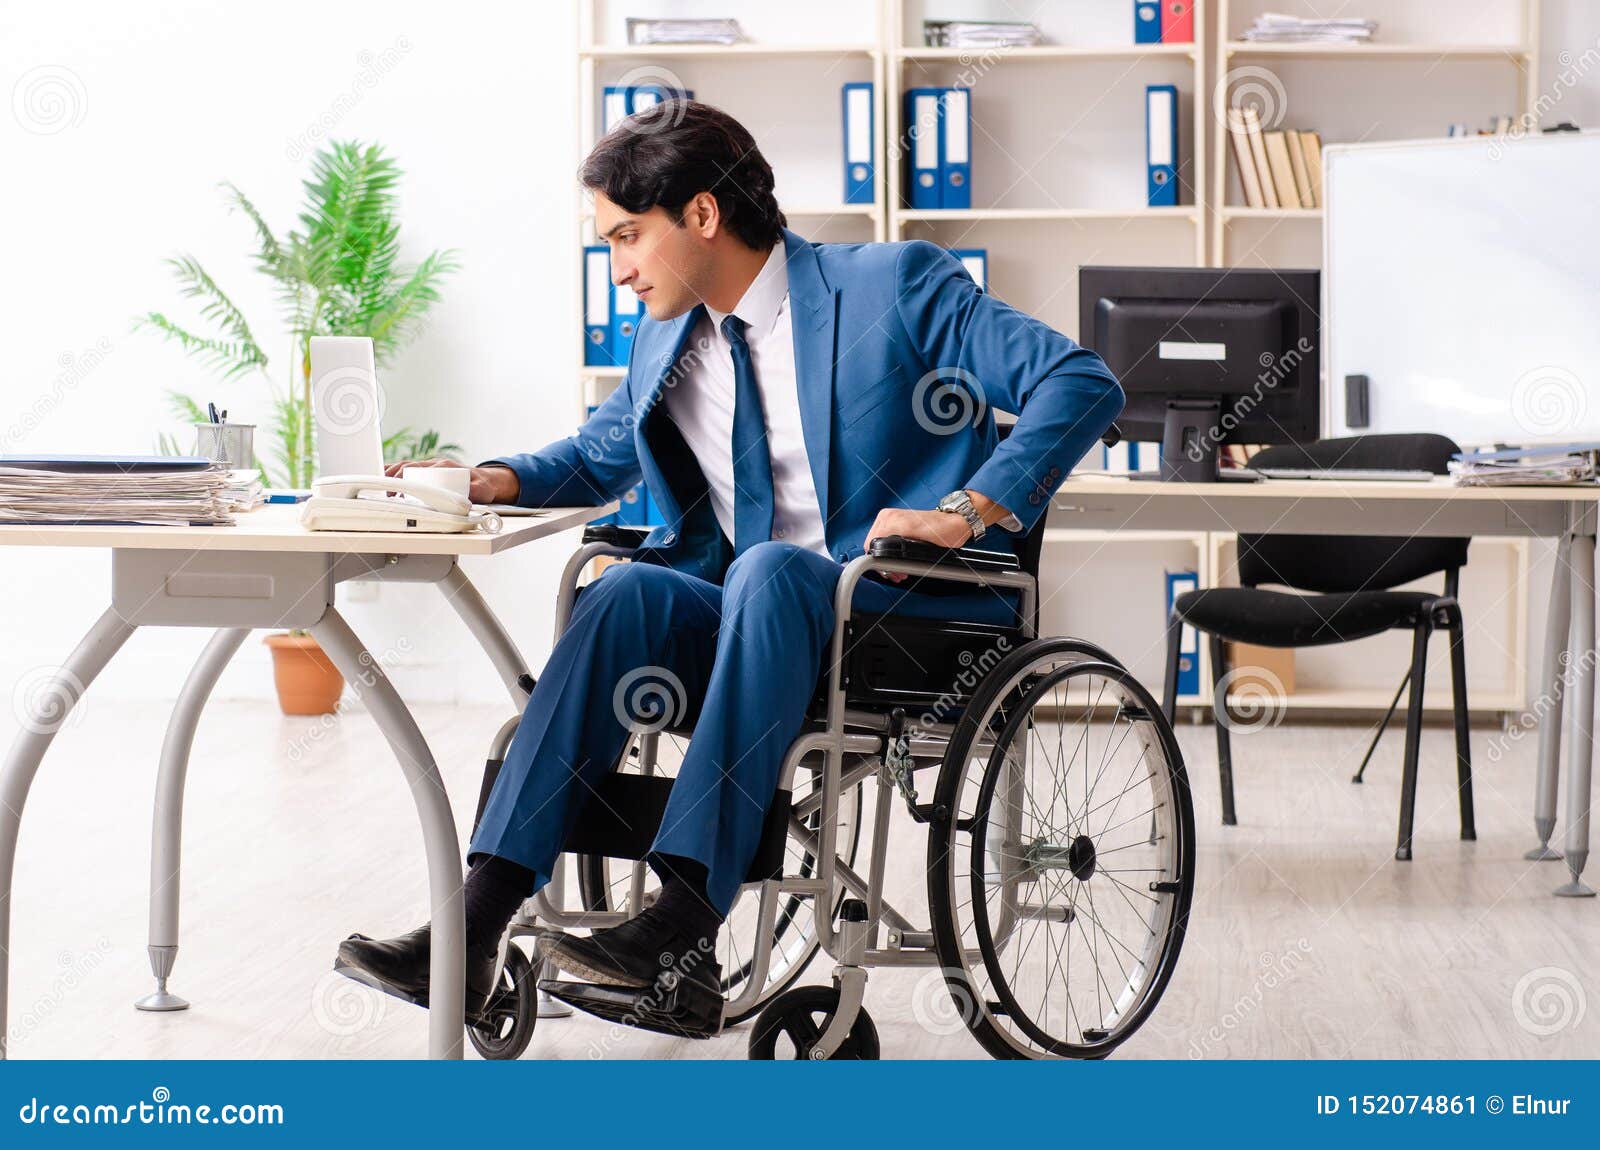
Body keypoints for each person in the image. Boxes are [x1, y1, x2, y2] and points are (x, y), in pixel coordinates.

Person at [336, 100, 1123, 1032]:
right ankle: (474, 926)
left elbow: (1081, 381)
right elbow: (599, 454)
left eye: (628, 237)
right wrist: (485, 478)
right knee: (627, 589)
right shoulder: (668, 335)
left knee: (769, 571)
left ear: (703, 214)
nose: (617, 268)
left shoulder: (894, 286)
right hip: (760, 625)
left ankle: (680, 931)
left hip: (905, 618)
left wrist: (964, 511)